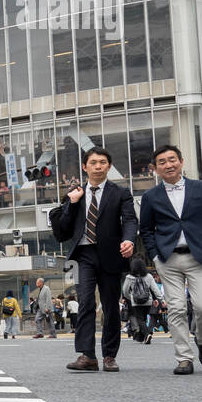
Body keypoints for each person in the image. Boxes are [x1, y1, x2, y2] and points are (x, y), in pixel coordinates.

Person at [138, 145, 202, 375]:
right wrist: (156, 255)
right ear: (155, 168)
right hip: (168, 259)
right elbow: (146, 229)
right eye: (162, 162)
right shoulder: (150, 196)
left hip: (200, 256)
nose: (168, 165)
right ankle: (184, 358)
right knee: (176, 309)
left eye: (172, 160)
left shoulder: (200, 188)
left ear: (181, 161)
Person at [51, 146, 139, 372]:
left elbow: (130, 220)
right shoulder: (75, 193)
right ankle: (87, 355)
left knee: (110, 307)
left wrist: (129, 240)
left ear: (108, 166)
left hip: (111, 254)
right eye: (93, 162)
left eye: (102, 162)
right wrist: (71, 203)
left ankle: (109, 356)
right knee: (86, 302)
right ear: (84, 167)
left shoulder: (120, 193)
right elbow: (63, 230)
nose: (97, 166)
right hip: (82, 256)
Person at [122, 257, 161, 345]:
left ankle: (147, 334)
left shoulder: (129, 277)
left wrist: (131, 297)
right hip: (147, 301)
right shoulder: (149, 276)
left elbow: (125, 291)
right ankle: (142, 337)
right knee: (143, 319)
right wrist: (159, 299)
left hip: (136, 302)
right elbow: (155, 290)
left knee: (140, 319)